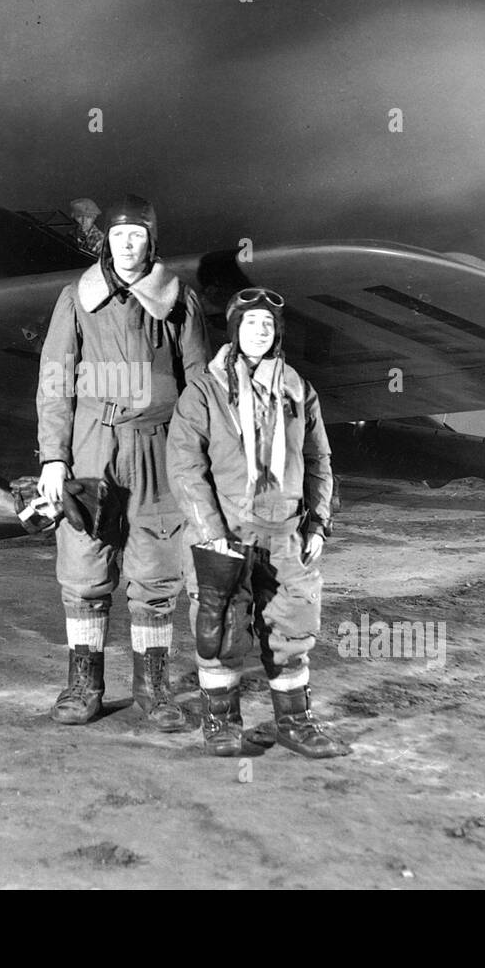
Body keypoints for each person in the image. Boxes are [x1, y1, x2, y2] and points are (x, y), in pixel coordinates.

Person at [36, 194, 210, 730]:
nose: (127, 245)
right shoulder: (77, 299)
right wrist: (53, 458)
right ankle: (83, 685)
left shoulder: (179, 301)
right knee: (86, 561)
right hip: (94, 445)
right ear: (105, 241)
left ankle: (151, 689)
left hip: (159, 447)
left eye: (137, 235)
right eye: (118, 235)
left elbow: (201, 386)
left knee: (157, 569)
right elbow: (55, 382)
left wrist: (202, 459)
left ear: (152, 241)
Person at [167, 287, 349, 758]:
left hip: (285, 531)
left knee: (292, 628)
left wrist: (318, 523)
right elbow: (185, 467)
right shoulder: (203, 393)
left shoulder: (297, 390)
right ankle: (221, 722)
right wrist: (210, 533)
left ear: (277, 334)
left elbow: (319, 460)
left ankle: (295, 724)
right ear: (234, 330)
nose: (260, 332)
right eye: (250, 323)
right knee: (222, 632)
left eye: (268, 325)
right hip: (226, 531)